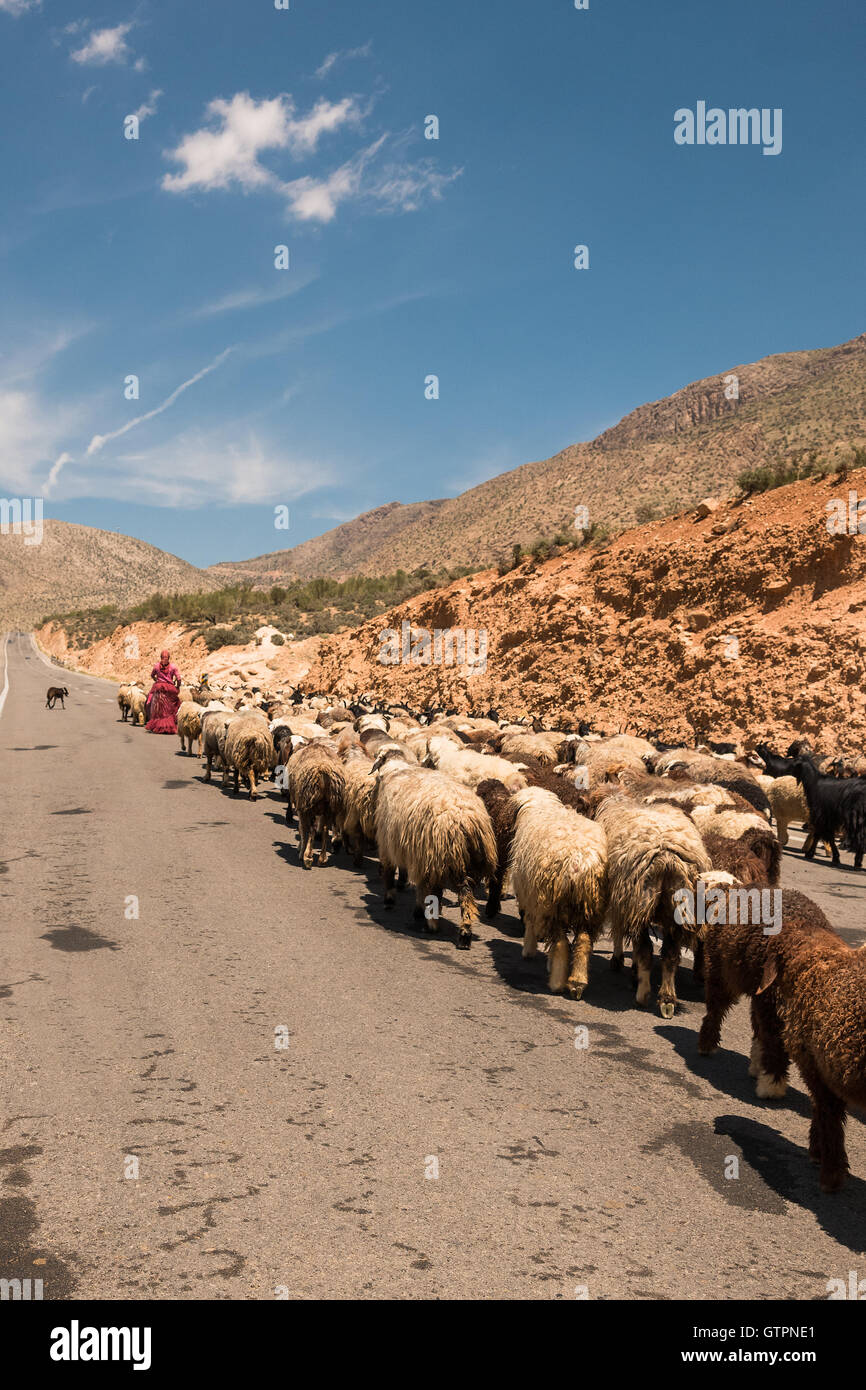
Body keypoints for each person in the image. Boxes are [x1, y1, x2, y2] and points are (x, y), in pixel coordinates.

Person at [145, 649, 181, 734]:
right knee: (171, 707)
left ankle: (157, 725)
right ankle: (170, 725)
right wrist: (177, 686)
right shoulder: (173, 667)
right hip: (169, 688)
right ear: (169, 657)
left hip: (158, 687)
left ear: (161, 657)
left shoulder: (156, 666)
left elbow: (152, 675)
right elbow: (179, 678)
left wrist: (156, 680)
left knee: (157, 708)